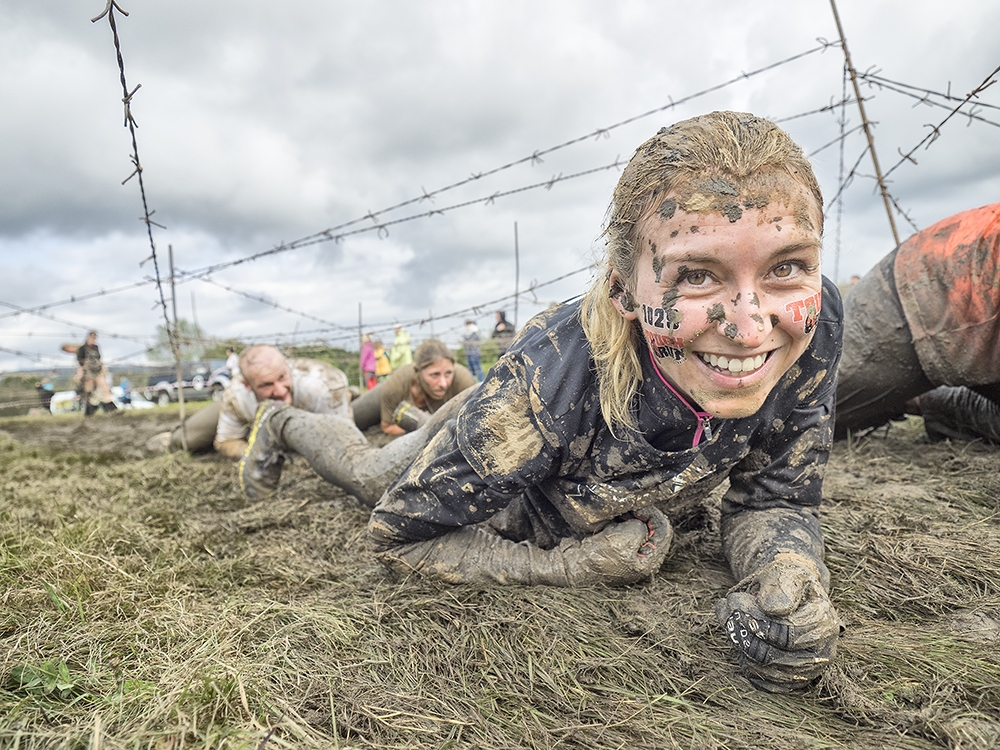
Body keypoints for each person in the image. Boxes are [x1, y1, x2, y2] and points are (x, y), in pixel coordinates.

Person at [239, 112, 844, 693]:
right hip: (497, 438)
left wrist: (786, 569)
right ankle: (283, 419)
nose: (749, 329)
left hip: (544, 452)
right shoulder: (539, 393)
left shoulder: (812, 329)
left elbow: (777, 497)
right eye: (695, 276)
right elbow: (398, 537)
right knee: (368, 471)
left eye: (787, 267)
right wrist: (570, 567)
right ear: (623, 289)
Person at [835, 202, 1000, 443]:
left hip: (963, 319)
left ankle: (917, 402)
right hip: (912, 292)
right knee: (800, 413)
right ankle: (894, 399)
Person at [146, 345, 352, 457]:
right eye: (266, 385)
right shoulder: (237, 395)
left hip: (319, 408)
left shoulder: (324, 385)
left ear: (287, 368)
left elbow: (345, 441)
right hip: (257, 416)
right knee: (188, 440)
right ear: (249, 386)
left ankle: (351, 395)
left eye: (282, 377)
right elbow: (225, 441)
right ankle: (172, 436)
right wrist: (256, 453)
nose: (279, 391)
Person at [74, 331, 116, 416]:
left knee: (105, 388)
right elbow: (80, 363)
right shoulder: (82, 349)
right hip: (88, 372)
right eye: (92, 337)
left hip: (97, 370)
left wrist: (103, 369)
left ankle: (111, 408)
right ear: (88, 337)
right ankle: (89, 410)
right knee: (89, 391)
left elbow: (99, 359)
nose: (93, 339)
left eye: (94, 338)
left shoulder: (96, 347)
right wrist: (80, 374)